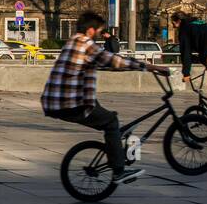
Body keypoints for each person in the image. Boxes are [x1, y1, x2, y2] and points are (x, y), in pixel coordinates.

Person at [41, 11, 169, 185]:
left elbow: (96, 64)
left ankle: (116, 142)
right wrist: (148, 66)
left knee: (101, 110)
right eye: (99, 32)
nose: (100, 36)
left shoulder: (72, 42)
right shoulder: (86, 44)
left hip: (56, 101)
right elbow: (113, 61)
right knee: (111, 122)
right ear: (92, 31)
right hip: (71, 103)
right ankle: (118, 171)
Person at [170, 12, 207, 125]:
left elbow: (185, 52)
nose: (173, 25)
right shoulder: (199, 22)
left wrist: (186, 73)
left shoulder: (184, 29)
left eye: (173, 22)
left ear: (178, 21)